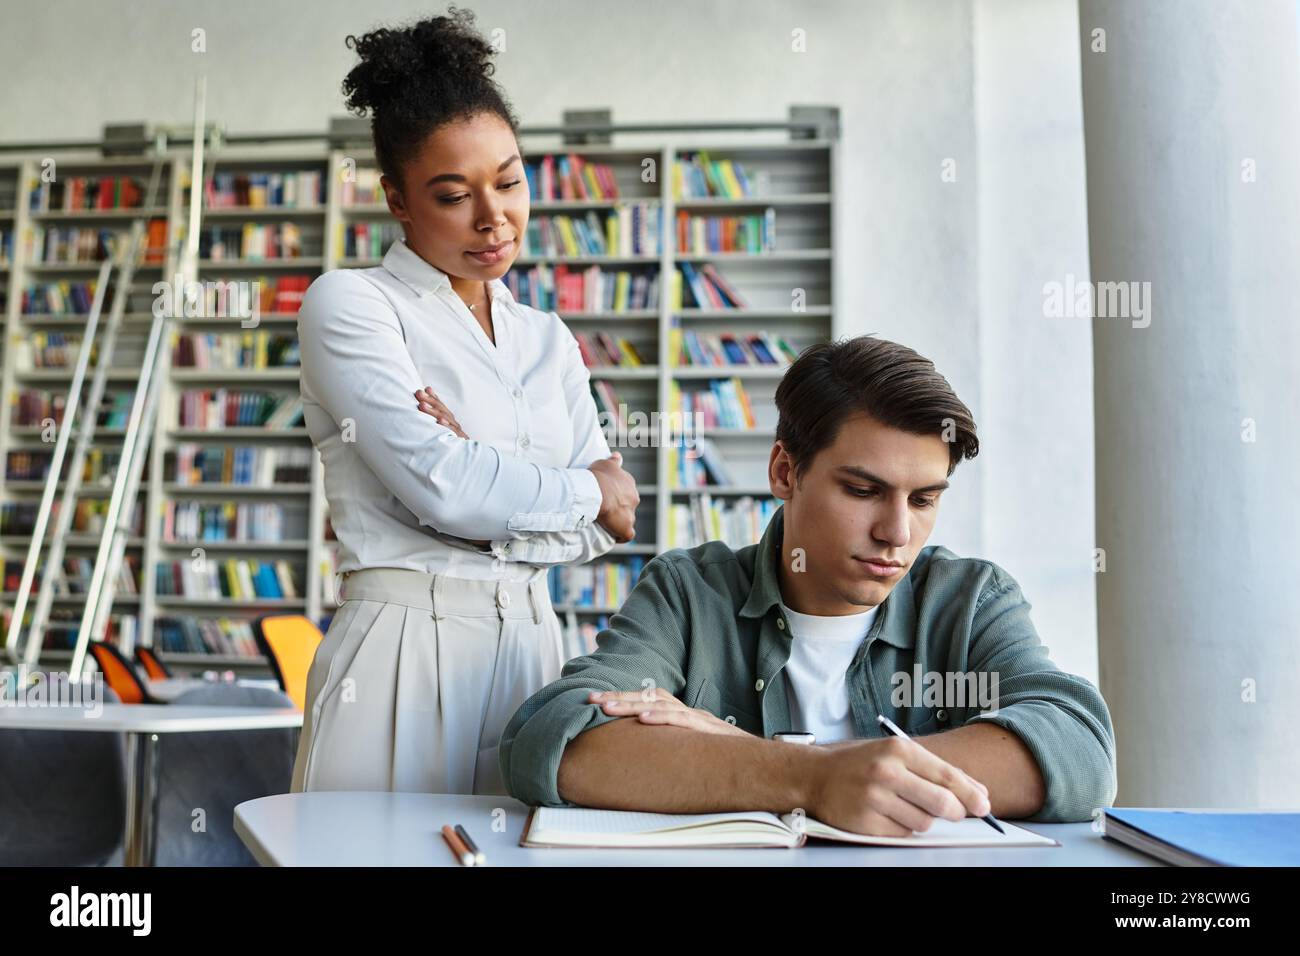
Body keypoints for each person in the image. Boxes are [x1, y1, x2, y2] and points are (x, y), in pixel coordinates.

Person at [499, 335, 1117, 834]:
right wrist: (811, 778)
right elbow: (555, 741)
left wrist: (781, 762)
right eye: (863, 491)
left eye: (924, 499)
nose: (896, 533)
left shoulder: (971, 598)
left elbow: (1079, 748)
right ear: (784, 471)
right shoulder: (689, 592)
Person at [290, 8, 638, 795]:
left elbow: (613, 527)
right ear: (398, 200)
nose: (494, 217)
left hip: (533, 649)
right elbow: (448, 488)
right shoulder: (351, 305)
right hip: (402, 647)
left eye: (510, 180)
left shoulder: (546, 337)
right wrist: (580, 488)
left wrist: (490, 490)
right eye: (453, 195)